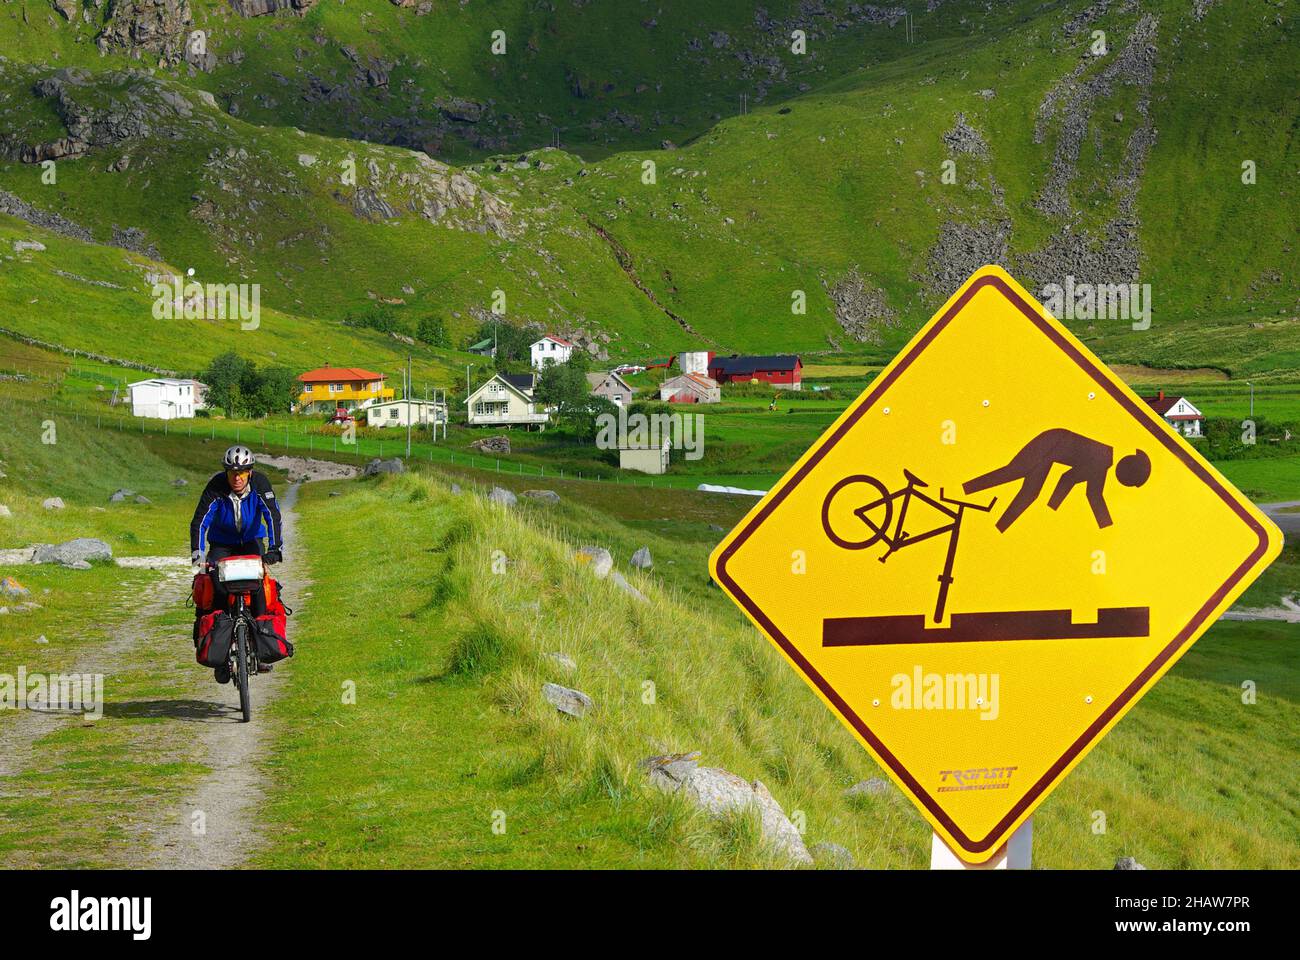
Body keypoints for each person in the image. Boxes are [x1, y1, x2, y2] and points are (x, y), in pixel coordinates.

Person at [190, 445, 284, 682]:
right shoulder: (216, 486)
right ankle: (219, 652)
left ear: (250, 472)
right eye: (232, 472)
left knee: (260, 583)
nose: (237, 477)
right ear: (226, 472)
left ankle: (261, 647)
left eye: (242, 472)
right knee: (216, 586)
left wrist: (274, 549)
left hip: (251, 542)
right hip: (222, 544)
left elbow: (272, 515)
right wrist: (198, 557)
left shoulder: (261, 484)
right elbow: (199, 522)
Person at [962, 428, 1150, 532]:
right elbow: (1093, 495)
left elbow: (1068, 478)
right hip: (1049, 444)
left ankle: (997, 531)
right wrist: (1107, 527)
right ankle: (964, 489)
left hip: (1050, 452)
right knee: (1014, 472)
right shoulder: (1102, 458)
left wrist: (1052, 509)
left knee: (1030, 494)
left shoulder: (1104, 459)